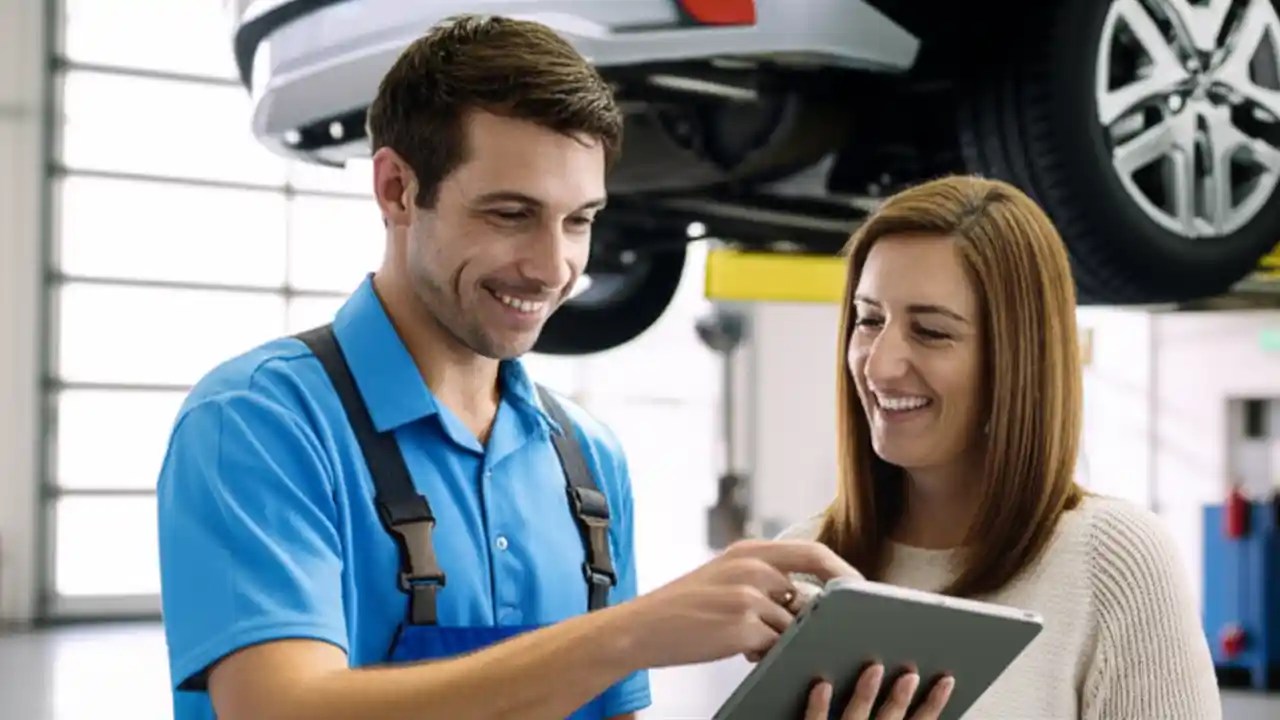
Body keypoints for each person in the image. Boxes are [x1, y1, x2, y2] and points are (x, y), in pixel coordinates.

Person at [154, 14, 864, 720]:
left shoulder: (586, 459)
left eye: (579, 220)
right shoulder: (260, 423)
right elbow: (282, 708)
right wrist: (632, 632)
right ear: (397, 190)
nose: (554, 267)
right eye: (511, 214)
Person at [784, 175, 1223, 720]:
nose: (878, 365)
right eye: (870, 320)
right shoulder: (804, 564)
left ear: (1017, 358)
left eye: (931, 332)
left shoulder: (1114, 563)